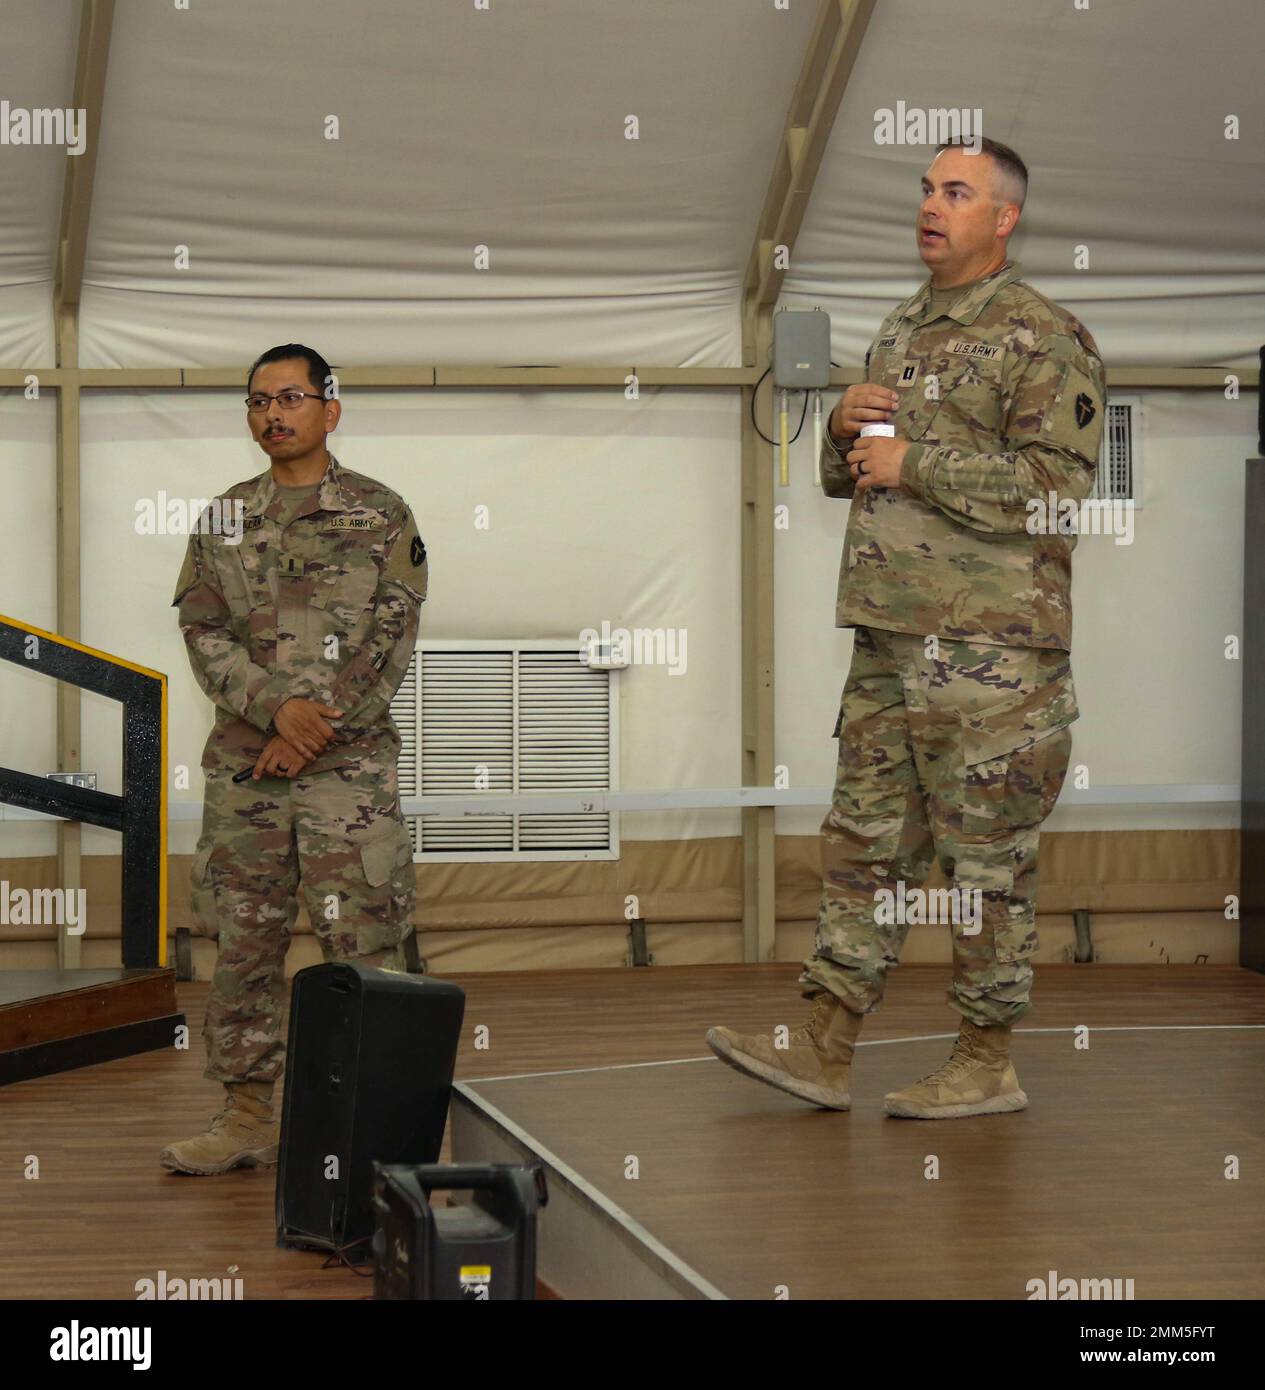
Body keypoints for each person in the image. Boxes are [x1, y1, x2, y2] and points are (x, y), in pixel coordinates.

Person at [708, 137, 1106, 1119]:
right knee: (861, 843)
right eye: (925, 188)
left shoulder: (1042, 338)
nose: (931, 204)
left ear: (1003, 217)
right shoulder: (899, 327)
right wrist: (842, 430)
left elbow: (1057, 495)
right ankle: (822, 1046)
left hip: (991, 658)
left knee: (980, 861)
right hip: (885, 639)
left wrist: (915, 462)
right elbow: (853, 476)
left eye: (955, 191)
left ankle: (984, 1059)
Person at [161, 343, 427, 1173]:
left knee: (366, 949)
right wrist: (274, 708)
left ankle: (378, 1125)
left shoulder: (382, 514)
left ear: (329, 409)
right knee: (243, 944)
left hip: (347, 776)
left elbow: (392, 637)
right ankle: (243, 1115)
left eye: (289, 397)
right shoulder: (222, 520)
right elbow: (201, 631)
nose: (271, 414)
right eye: (256, 402)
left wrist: (311, 730)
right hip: (248, 774)